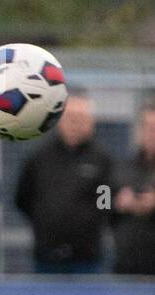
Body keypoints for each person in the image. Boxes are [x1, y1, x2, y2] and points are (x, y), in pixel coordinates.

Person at [14, 93, 113, 275]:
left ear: (91, 122)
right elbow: (23, 198)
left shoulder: (101, 161)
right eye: (70, 118)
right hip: (46, 257)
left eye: (81, 118)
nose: (75, 123)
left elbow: (105, 202)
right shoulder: (39, 157)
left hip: (87, 259)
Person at [112, 102, 155, 277]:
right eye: (148, 127)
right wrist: (118, 202)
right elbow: (101, 201)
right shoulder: (122, 166)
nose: (152, 134)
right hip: (127, 265)